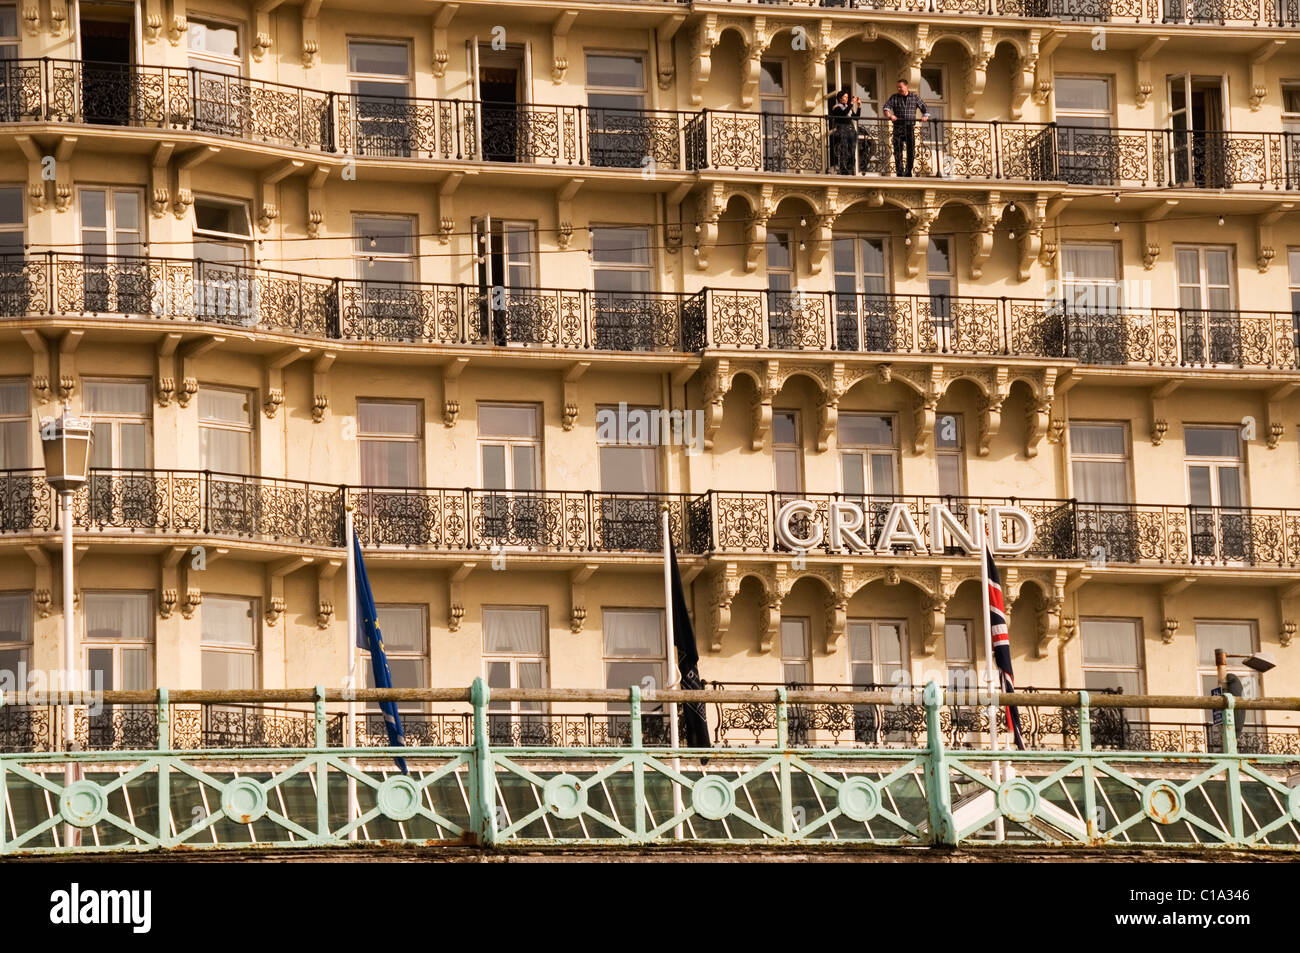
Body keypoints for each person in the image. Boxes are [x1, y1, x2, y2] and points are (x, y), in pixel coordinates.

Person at [883, 78, 928, 177]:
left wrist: (925, 116)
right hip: (898, 127)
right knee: (898, 151)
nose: (899, 89)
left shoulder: (914, 97)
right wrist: (890, 115)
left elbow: (924, 107)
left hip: (909, 127)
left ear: (906, 86)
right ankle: (899, 172)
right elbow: (886, 108)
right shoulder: (894, 97)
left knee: (911, 151)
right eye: (898, 87)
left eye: (900, 87)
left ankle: (908, 172)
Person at [828, 90, 861, 175]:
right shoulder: (836, 107)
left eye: (847, 97)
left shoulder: (848, 108)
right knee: (844, 150)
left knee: (852, 151)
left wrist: (859, 106)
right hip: (842, 130)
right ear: (840, 98)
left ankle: (851, 169)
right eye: (845, 97)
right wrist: (851, 104)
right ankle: (843, 169)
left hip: (851, 130)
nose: (846, 99)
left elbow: (856, 118)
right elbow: (843, 115)